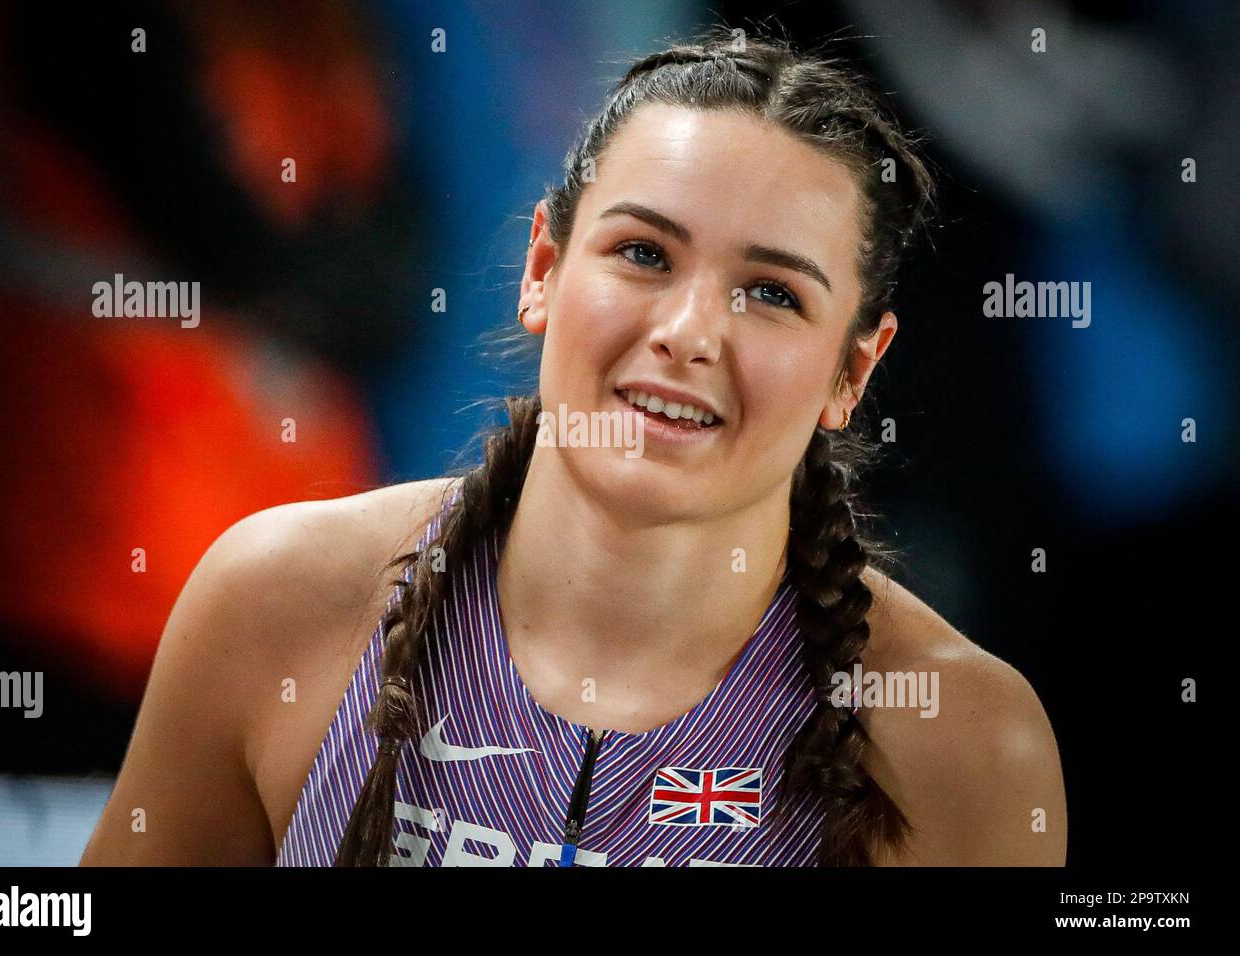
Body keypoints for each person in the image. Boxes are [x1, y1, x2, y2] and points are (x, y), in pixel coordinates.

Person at [81, 28, 1066, 867]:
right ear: (543, 268)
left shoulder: (963, 742)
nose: (688, 330)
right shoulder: (277, 600)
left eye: (771, 292)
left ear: (854, 369)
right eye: (643, 253)